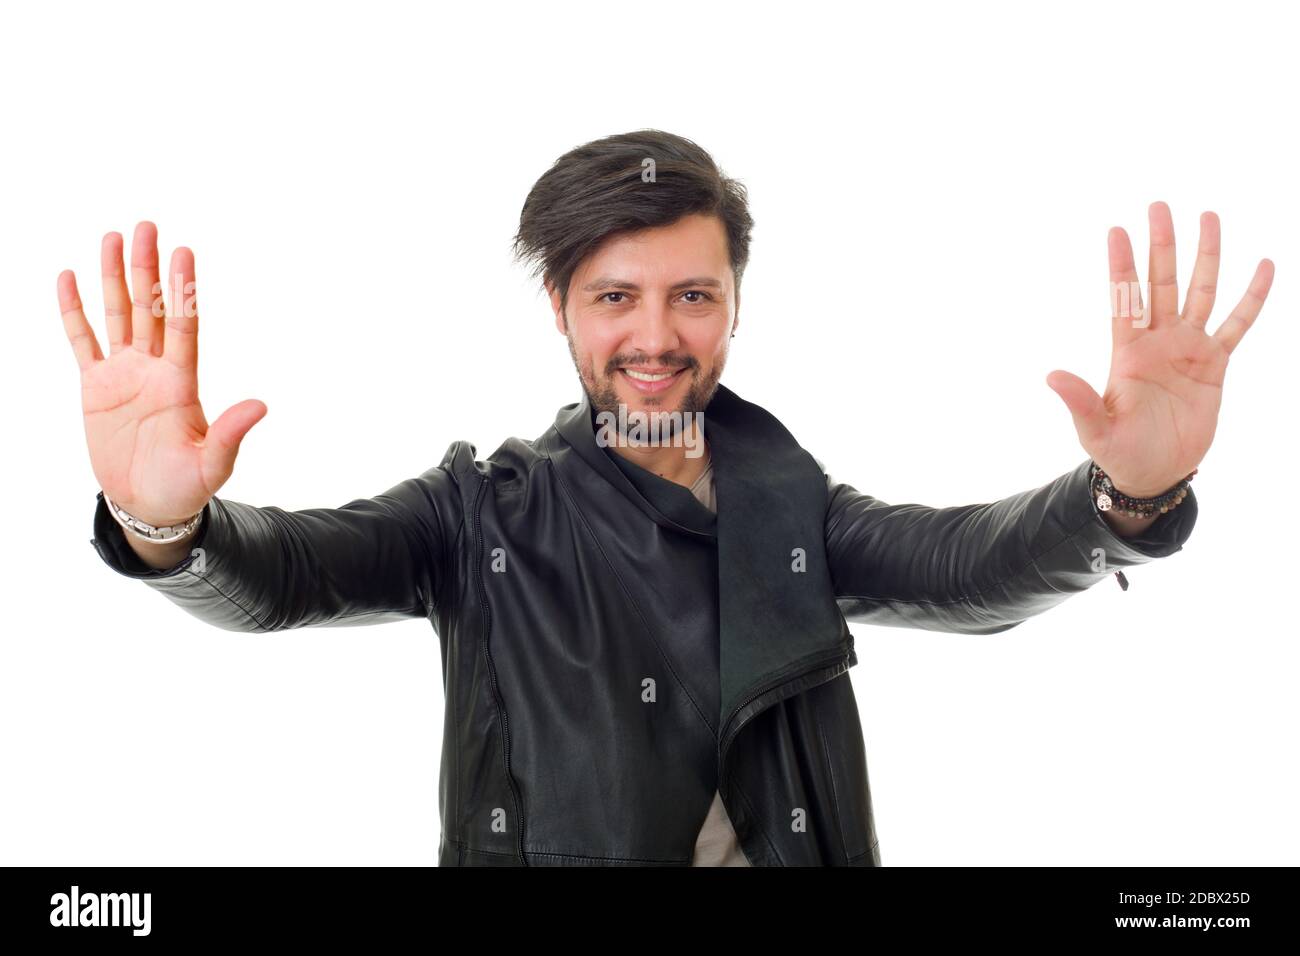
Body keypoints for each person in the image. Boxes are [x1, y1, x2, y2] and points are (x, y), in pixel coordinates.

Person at [57, 129, 1273, 866]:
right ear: (560, 310)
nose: (655, 335)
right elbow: (283, 575)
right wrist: (169, 523)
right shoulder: (477, 514)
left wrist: (1129, 491)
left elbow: (967, 563)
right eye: (614, 296)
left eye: (691, 295)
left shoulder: (789, 506)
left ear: (735, 304)